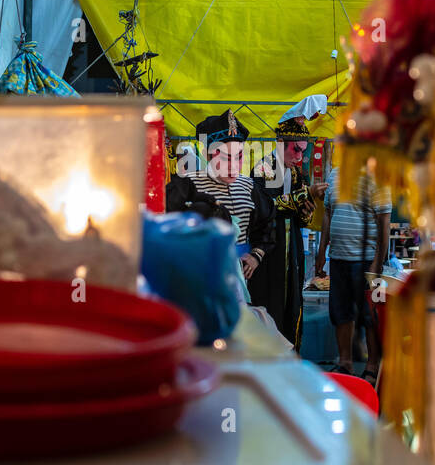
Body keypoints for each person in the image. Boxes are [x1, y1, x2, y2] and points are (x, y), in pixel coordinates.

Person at [165, 109, 275, 282]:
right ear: (208, 155)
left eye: (239, 157)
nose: (233, 166)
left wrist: (256, 255)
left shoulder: (248, 186)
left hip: (237, 282)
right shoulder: (188, 184)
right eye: (225, 158)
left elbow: (267, 224)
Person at [248, 115, 327, 348]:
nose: (299, 157)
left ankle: (291, 351)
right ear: (280, 143)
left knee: (292, 300)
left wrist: (307, 208)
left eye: (303, 151)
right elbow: (268, 206)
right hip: (269, 246)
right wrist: (305, 194)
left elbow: (301, 217)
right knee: (269, 299)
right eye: (296, 150)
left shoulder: (296, 174)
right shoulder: (263, 168)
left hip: (292, 245)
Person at [316, 160, 391, 380]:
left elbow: (384, 222)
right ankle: (345, 363)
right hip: (338, 258)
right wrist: (321, 251)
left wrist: (378, 262)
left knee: (370, 315)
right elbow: (328, 214)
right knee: (340, 312)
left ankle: (372, 366)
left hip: (367, 261)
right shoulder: (335, 174)